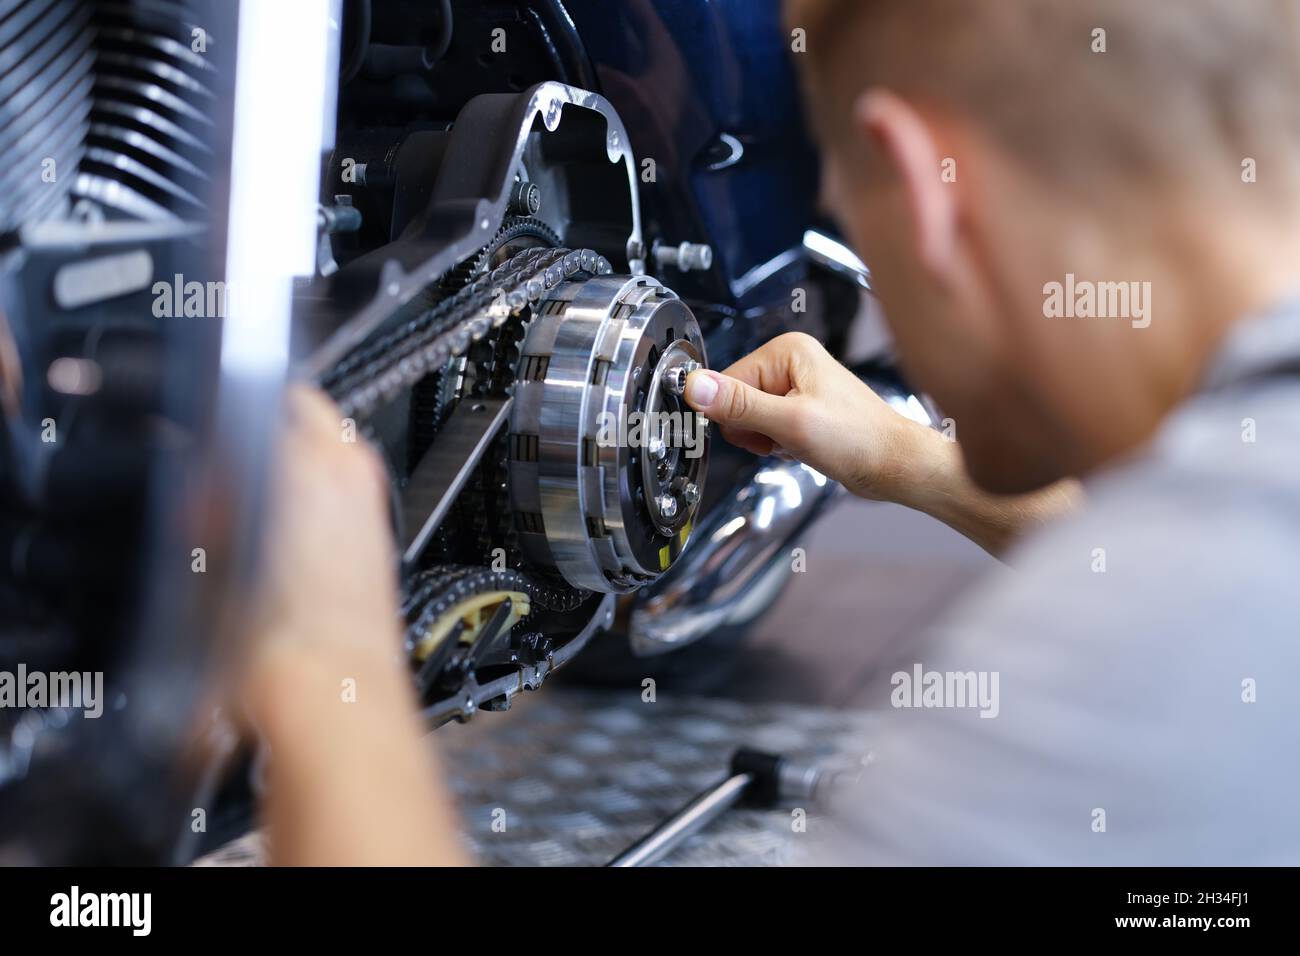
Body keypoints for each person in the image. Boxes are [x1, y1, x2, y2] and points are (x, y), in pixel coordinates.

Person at [239, 0, 1300, 865]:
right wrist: (913, 463)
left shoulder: (1088, 699)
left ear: (929, 193)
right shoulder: (1227, 570)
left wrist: (325, 658)